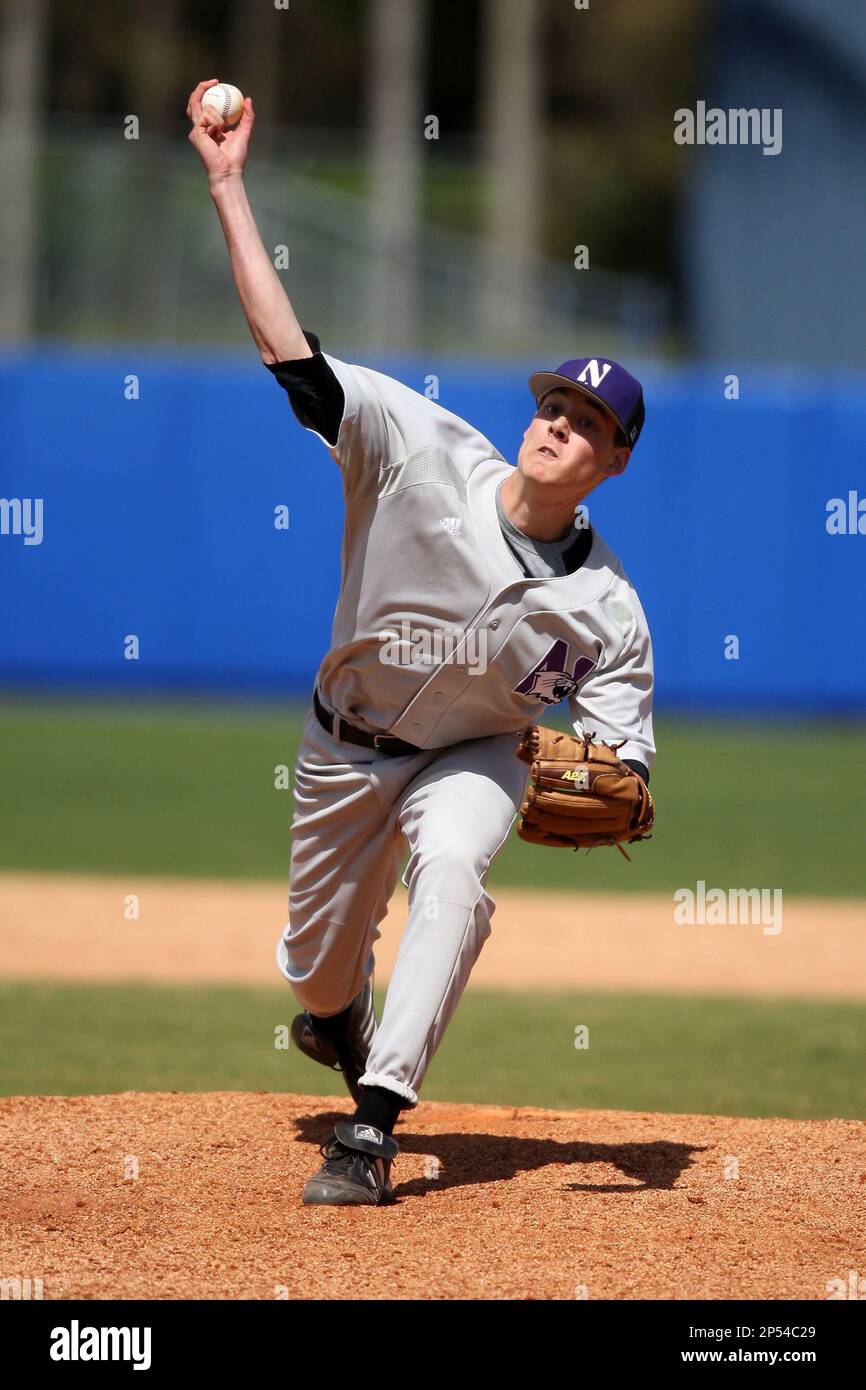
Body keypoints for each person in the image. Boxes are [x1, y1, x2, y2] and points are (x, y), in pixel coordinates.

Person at [187, 80, 655, 1207]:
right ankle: (336, 1015)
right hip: (342, 745)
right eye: (553, 405)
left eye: (587, 425)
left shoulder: (609, 609)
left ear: (611, 462)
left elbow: (623, 761)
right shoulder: (415, 444)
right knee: (313, 965)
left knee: (453, 867)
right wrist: (228, 185)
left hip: (477, 753)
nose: (559, 425)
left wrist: (616, 783)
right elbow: (291, 358)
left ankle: (373, 1124)